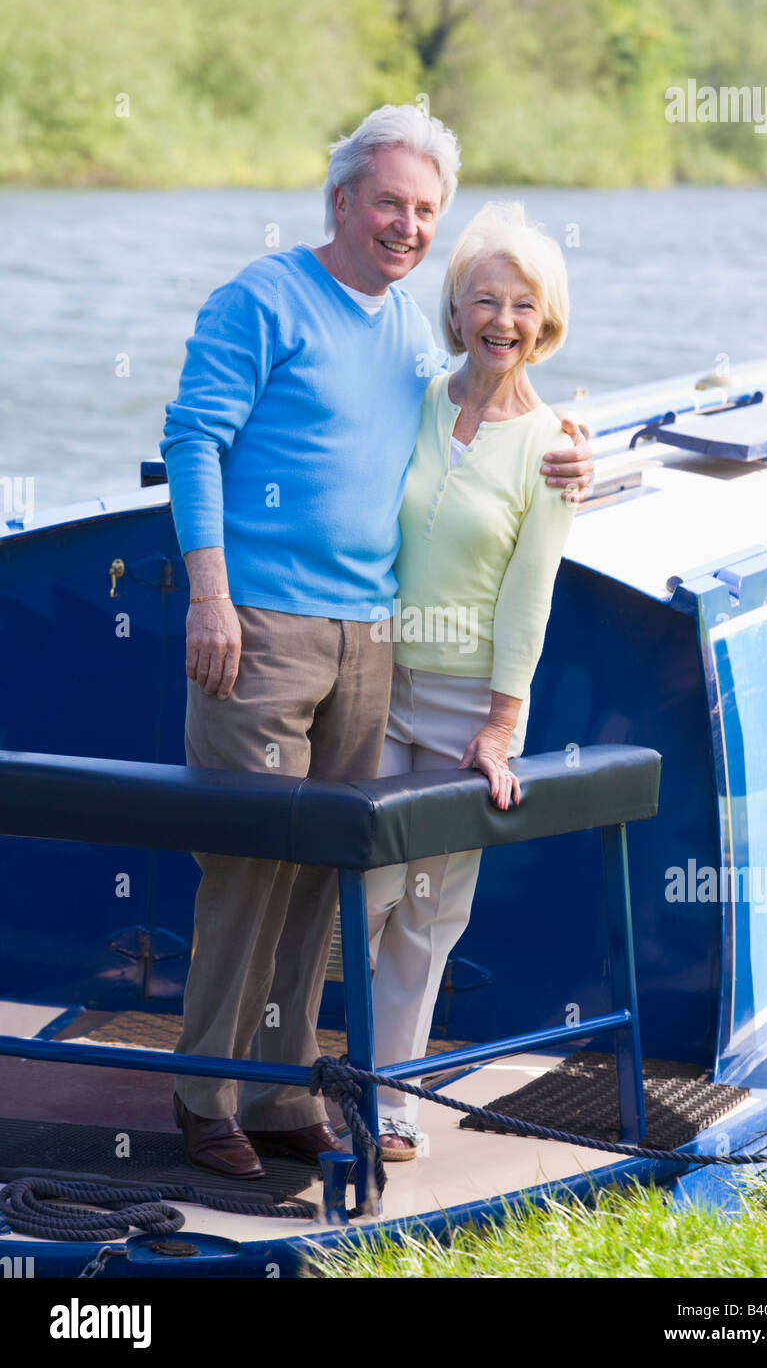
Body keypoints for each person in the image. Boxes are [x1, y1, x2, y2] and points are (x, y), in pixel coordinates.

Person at [159, 104, 593, 1180]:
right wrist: (208, 596)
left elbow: (490, 397)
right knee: (252, 870)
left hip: (372, 643)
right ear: (342, 198)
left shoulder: (410, 328)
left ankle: (281, 1089)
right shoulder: (261, 298)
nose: (406, 224)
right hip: (259, 632)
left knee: (325, 884)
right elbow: (193, 438)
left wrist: (574, 447)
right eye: (389, 202)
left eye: (424, 211)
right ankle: (202, 1097)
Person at [367, 202, 576, 1159]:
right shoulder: (408, 398)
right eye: (482, 298)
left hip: (466, 709)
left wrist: (500, 726)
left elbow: (528, 602)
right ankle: (285, 1092)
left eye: (522, 304)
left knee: (423, 913)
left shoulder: (553, 450)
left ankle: (390, 1103)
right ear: (454, 310)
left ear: (545, 321)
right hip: (371, 678)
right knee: (348, 897)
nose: (501, 318)